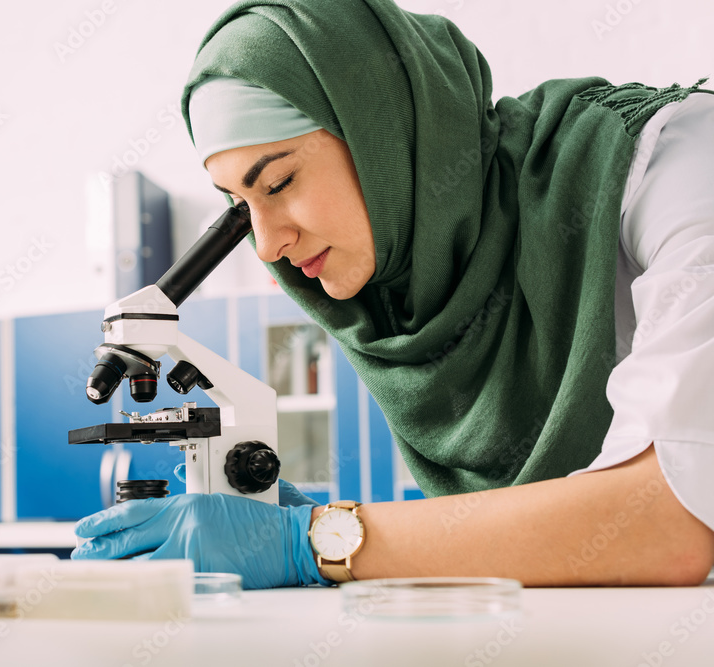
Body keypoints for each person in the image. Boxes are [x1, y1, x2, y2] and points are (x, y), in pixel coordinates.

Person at [72, 0, 714, 588]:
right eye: (239, 208)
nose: (266, 246)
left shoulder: (678, 161)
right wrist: (314, 527)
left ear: (382, 137)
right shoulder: (409, 308)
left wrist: (318, 539)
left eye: (280, 181)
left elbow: (672, 516)